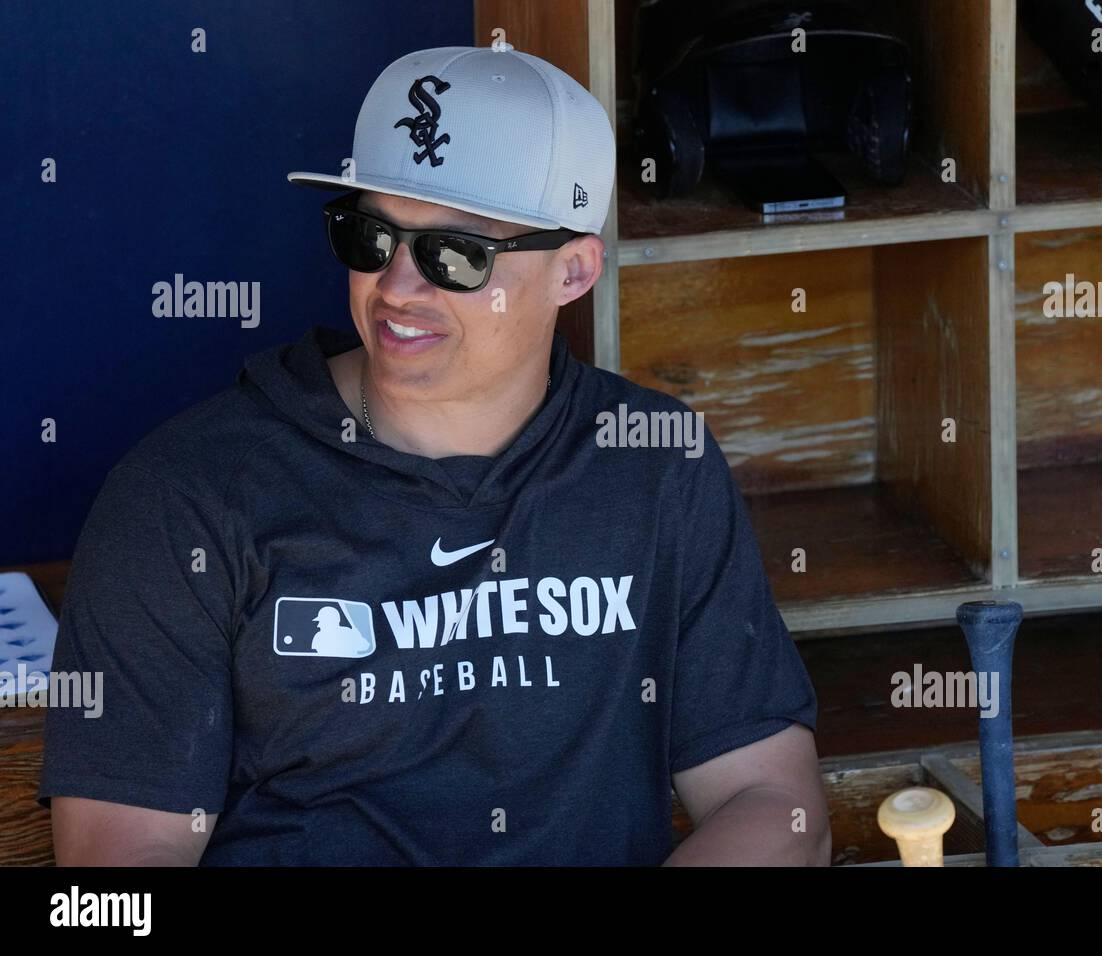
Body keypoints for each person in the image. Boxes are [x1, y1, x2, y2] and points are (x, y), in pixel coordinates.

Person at [38, 43, 828, 866]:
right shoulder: (185, 497)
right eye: (369, 236)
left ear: (573, 270)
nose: (398, 288)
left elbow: (769, 799)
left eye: (457, 254)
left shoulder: (656, 464)